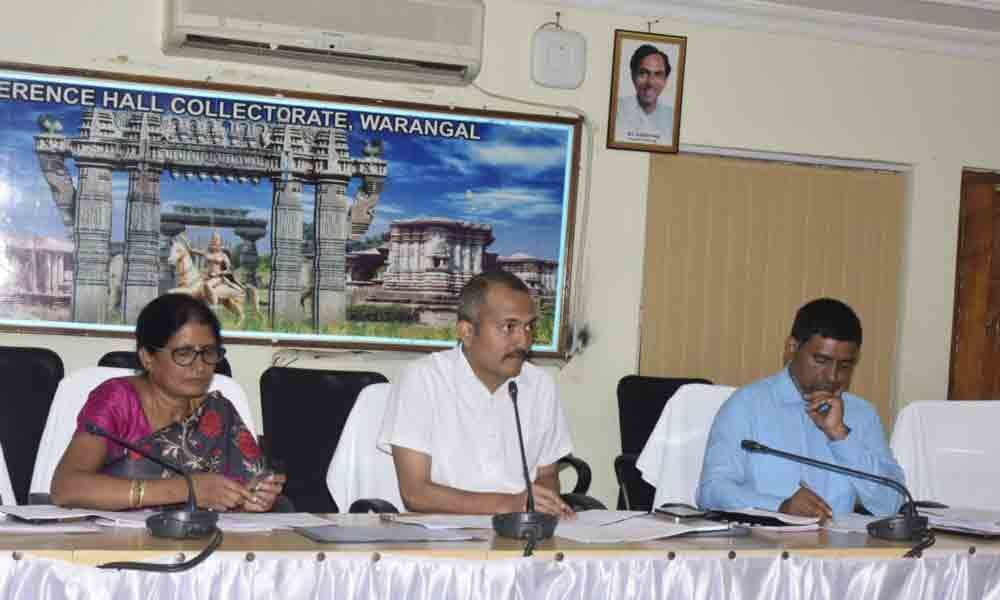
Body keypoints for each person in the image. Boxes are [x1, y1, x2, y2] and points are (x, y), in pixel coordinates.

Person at [51, 294, 286, 512]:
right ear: (147, 358)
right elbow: (66, 488)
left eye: (209, 352)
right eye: (183, 354)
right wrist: (186, 489)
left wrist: (251, 498)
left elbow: (235, 496)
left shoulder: (218, 412)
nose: (200, 366)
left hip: (200, 543)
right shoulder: (118, 400)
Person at [378, 270, 575, 518]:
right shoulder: (422, 379)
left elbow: (546, 474)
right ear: (467, 332)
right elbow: (415, 493)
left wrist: (542, 503)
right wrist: (509, 505)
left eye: (529, 327)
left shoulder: (540, 386)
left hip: (519, 535)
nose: (524, 341)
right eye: (509, 326)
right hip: (440, 542)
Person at [695, 298, 905, 518]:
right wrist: (780, 507)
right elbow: (711, 493)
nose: (833, 376)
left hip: (843, 548)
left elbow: (891, 503)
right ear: (792, 348)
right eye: (821, 360)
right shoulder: (746, 405)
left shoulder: (863, 415)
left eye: (845, 365)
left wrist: (841, 436)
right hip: (765, 546)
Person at [614, 44, 674, 145]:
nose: (650, 82)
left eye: (658, 74)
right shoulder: (616, 110)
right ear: (633, 76)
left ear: (665, 80)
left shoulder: (672, 118)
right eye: (643, 73)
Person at [188, 230, 238, 306]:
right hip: (206, 276)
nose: (214, 241)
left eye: (216, 239)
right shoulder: (207, 252)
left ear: (220, 242)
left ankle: (214, 306)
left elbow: (229, 270)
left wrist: (218, 273)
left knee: (207, 285)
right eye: (213, 239)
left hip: (217, 277)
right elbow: (193, 250)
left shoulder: (223, 255)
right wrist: (186, 245)